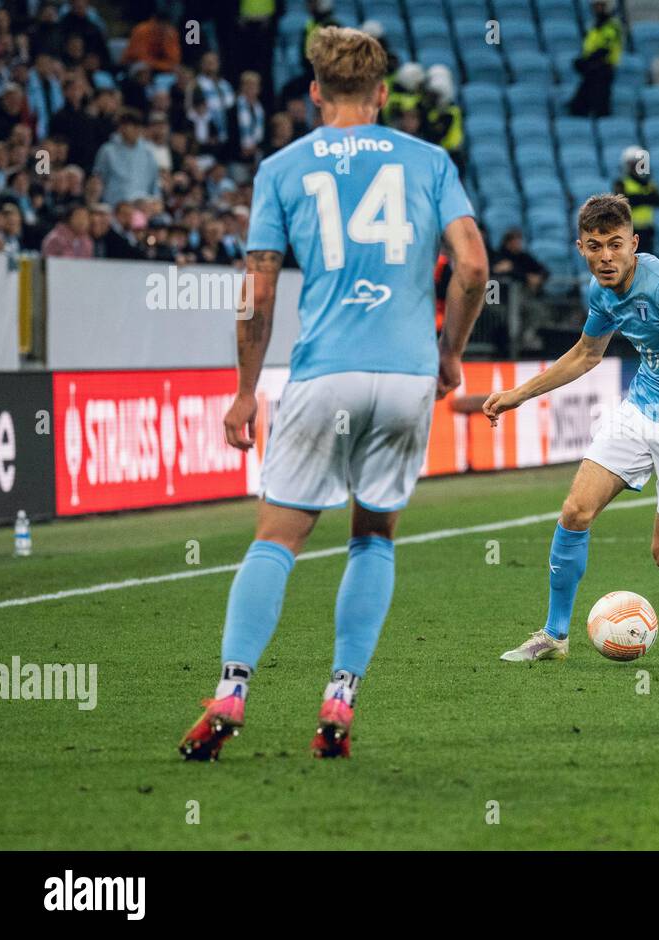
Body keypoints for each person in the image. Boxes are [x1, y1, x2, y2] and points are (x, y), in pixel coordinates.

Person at [178, 25, 489, 761]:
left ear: (315, 92)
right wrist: (449, 354)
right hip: (407, 373)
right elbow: (473, 268)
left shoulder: (283, 169)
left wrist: (245, 392)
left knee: (277, 538)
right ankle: (341, 695)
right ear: (382, 94)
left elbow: (257, 291)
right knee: (373, 535)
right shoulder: (428, 160)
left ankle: (232, 688)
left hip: (324, 371)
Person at [484, 193, 659, 663]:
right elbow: (587, 354)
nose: (606, 256)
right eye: (595, 246)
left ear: (634, 243)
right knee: (575, 511)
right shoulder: (601, 291)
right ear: (581, 248)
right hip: (639, 411)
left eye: (616, 244)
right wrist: (519, 394)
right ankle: (554, 635)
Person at [93, 109, 159, 204]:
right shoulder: (107, 151)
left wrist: (156, 201)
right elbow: (99, 179)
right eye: (127, 126)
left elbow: (154, 184)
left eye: (137, 127)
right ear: (121, 128)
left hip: (141, 207)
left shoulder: (148, 153)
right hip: (114, 205)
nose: (135, 130)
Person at [569, 0, 622, 118]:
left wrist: (587, 61)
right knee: (578, 107)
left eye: (600, 6)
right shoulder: (594, 26)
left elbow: (605, 48)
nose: (597, 9)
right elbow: (589, 47)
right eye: (595, 6)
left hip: (603, 70)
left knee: (600, 108)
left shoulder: (612, 26)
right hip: (591, 70)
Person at [612, 145, 659, 255]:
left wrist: (638, 198)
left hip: (648, 230)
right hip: (630, 231)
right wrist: (646, 198)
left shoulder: (649, 183)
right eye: (635, 164)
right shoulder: (621, 183)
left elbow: (658, 200)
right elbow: (624, 202)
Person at [422, 65, 464, 176]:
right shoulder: (433, 110)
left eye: (435, 95)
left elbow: (436, 135)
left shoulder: (450, 112)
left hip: (450, 156)